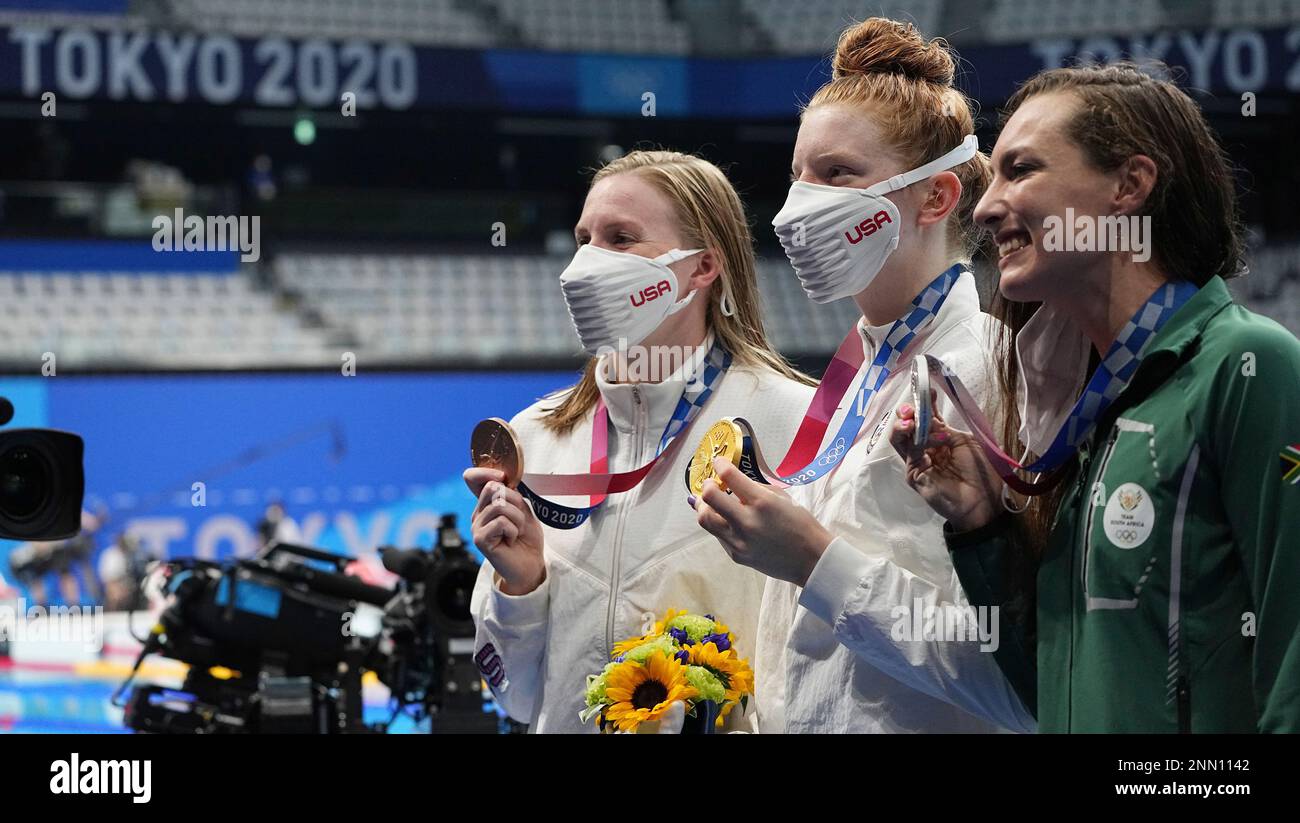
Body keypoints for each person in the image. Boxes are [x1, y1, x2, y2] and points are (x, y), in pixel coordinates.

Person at [890, 62, 1300, 732]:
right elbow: (1048, 694)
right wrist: (982, 525)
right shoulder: (1086, 412)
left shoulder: (1248, 367)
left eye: (1019, 170)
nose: (987, 205)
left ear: (1129, 185)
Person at [693, 18, 1033, 732]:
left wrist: (816, 560)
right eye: (798, 175)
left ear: (935, 197)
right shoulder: (858, 376)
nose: (797, 206)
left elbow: (1017, 681)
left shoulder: (993, 375)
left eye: (838, 174)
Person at [465, 150, 817, 733]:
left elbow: (818, 667)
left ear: (703, 266)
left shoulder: (797, 427)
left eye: (621, 238)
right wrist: (520, 586)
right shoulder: (534, 436)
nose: (585, 264)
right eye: (584, 238)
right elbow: (517, 697)